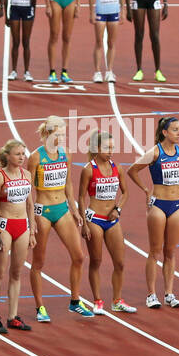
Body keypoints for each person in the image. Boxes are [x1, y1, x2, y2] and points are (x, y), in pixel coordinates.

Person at [27, 116, 94, 320]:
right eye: (59, 134)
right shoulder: (36, 157)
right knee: (39, 262)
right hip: (43, 212)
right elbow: (29, 188)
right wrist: (30, 218)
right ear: (47, 134)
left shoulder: (66, 154)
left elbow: (68, 183)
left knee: (79, 256)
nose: (62, 138)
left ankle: (75, 301)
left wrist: (73, 208)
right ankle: (40, 307)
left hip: (62, 209)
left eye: (64, 134)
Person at [126, 115, 179, 309]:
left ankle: (169, 293)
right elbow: (132, 170)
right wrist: (145, 190)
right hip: (159, 204)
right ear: (164, 132)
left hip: (177, 204)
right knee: (155, 251)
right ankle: (151, 294)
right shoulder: (155, 152)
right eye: (175, 130)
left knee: (170, 251)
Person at [78, 131, 135, 313]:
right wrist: (84, 224)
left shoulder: (117, 167)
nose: (111, 151)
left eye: (112, 147)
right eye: (107, 148)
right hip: (94, 219)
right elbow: (80, 197)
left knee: (120, 263)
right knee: (96, 261)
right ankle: (98, 301)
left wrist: (117, 209)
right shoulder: (88, 169)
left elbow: (125, 193)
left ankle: (117, 300)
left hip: (111, 220)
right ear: (96, 148)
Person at [0, 139, 35, 332]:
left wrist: (32, 230)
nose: (22, 157)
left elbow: (30, 204)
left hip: (22, 226)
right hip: (5, 226)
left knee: (16, 273)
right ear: (7, 156)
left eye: (23, 154)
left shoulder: (27, 175)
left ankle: (12, 316)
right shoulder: (0, 177)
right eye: (18, 154)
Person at [4, 0, 37, 81]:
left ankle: (27, 71)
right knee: (16, 42)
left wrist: (33, 11)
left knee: (26, 42)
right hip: (15, 11)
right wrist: (6, 14)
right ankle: (13, 71)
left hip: (27, 10)